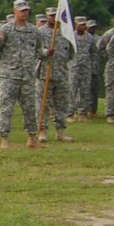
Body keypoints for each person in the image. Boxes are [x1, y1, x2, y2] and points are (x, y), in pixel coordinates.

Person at [0, 0, 47, 149]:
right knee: (6, 108)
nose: (25, 13)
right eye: (22, 10)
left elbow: (39, 50)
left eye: (26, 10)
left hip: (28, 77)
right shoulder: (6, 29)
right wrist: (5, 62)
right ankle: (5, 139)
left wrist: (46, 53)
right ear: (15, 11)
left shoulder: (34, 31)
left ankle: (32, 138)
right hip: (9, 77)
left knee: (30, 108)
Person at [36, 9, 73, 142]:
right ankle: (42, 131)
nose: (54, 18)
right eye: (51, 16)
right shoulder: (40, 32)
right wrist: (46, 52)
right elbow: (35, 50)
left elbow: (71, 52)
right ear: (47, 17)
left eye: (56, 15)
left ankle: (60, 132)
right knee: (43, 104)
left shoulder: (66, 32)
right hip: (45, 73)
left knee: (61, 105)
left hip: (61, 73)